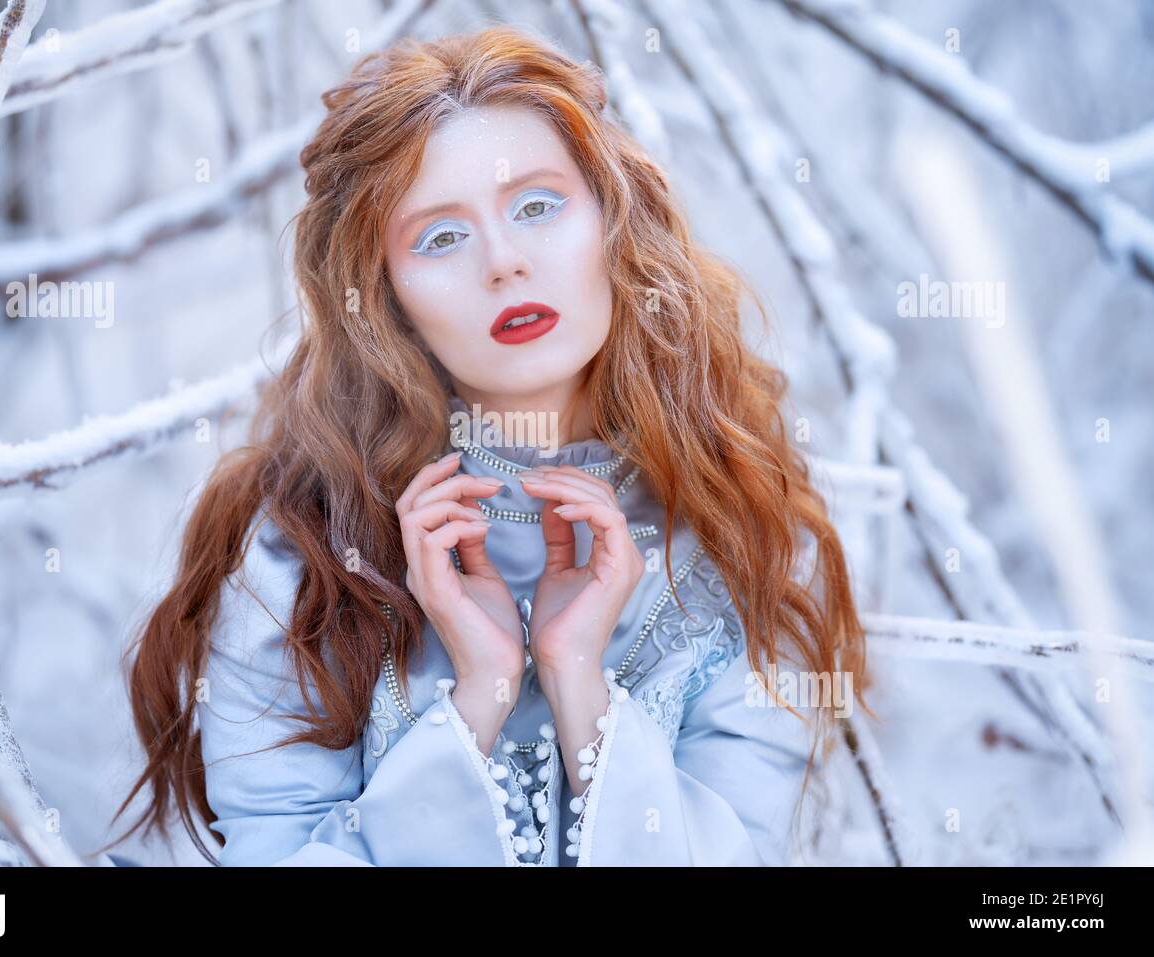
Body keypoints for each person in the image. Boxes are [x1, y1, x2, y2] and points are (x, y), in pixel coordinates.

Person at [107, 25, 871, 867]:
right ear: (386, 299)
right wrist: (478, 699)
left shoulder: (741, 530)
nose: (504, 261)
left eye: (538, 206)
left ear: (615, 223)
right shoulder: (300, 566)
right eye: (440, 237)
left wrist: (579, 682)